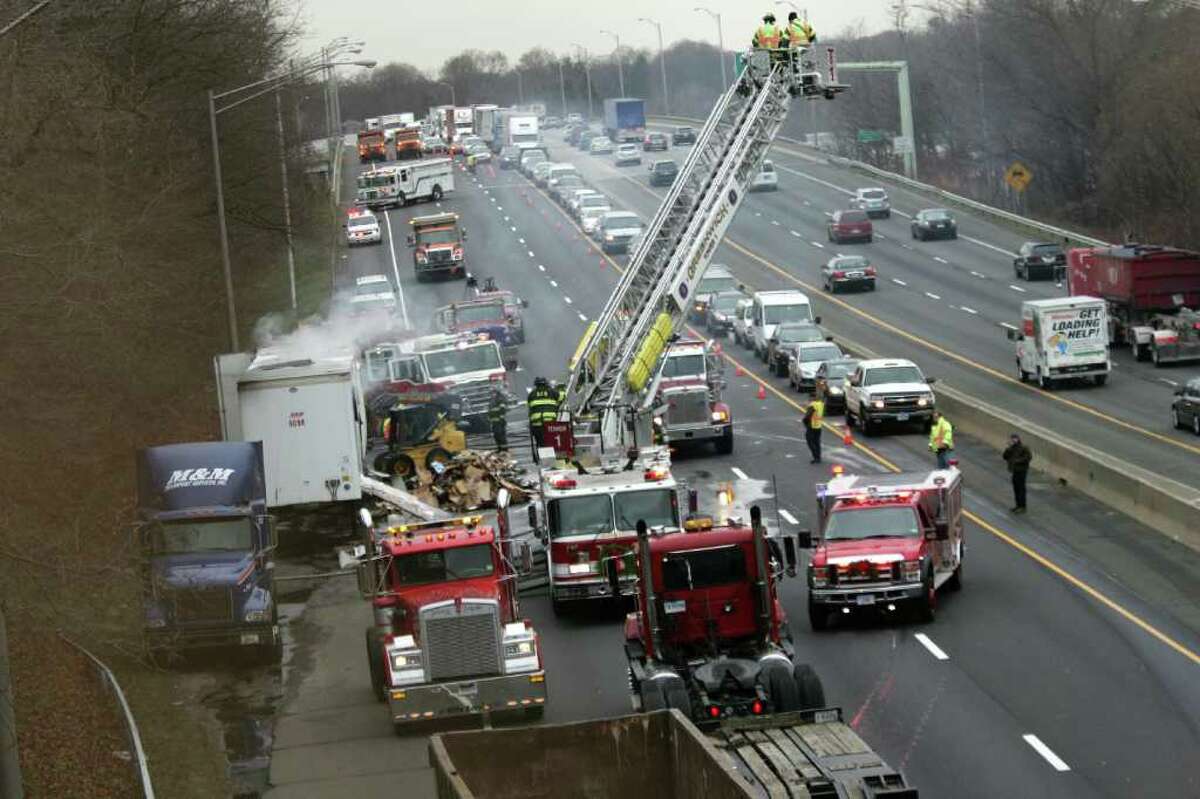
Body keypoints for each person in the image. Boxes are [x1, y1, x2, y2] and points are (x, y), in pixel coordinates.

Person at [526, 376, 559, 459]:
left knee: (541, 443)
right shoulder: (552, 392)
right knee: (551, 442)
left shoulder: (531, 394)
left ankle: (545, 460)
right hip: (550, 423)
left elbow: (530, 409)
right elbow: (560, 398)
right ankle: (552, 459)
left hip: (537, 424)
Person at [1002, 433, 1032, 513]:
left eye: (1014, 439)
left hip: (1021, 470)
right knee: (1016, 488)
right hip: (1015, 471)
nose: (1013, 440)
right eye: (1012, 439)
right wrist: (1008, 448)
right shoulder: (1011, 448)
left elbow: (1028, 457)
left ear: (1018, 439)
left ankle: (1022, 506)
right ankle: (1018, 505)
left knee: (1021, 488)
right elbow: (1005, 456)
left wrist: (1017, 461)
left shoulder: (1023, 448)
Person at [803, 394, 825, 464]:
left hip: (811, 426)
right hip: (818, 426)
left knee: (810, 441)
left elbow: (807, 417)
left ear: (812, 399)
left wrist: (806, 424)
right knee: (817, 442)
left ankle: (815, 457)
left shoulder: (813, 405)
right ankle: (818, 457)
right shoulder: (821, 404)